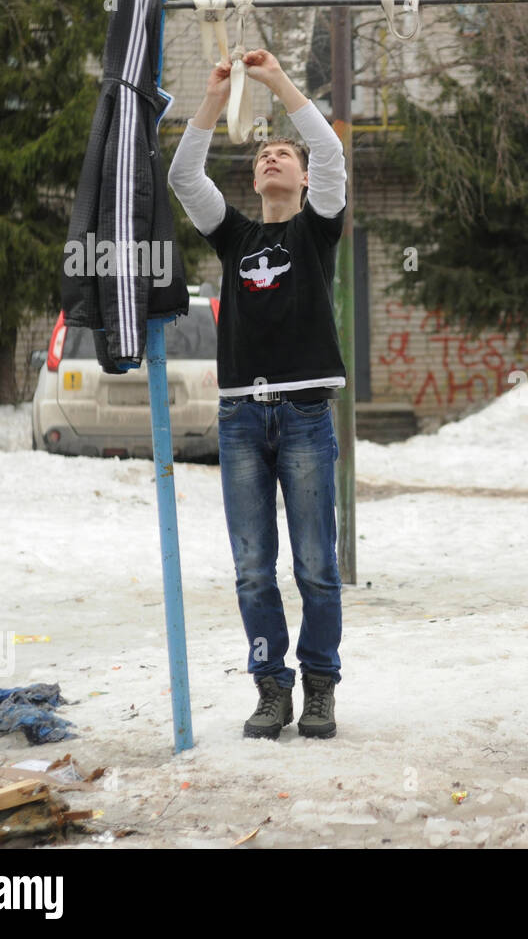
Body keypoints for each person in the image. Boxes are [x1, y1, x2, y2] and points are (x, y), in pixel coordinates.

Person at [167, 49, 348, 739]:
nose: (273, 158)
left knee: (317, 567)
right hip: (241, 417)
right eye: (264, 154)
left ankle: (321, 689)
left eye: (284, 153)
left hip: (305, 415)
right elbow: (184, 174)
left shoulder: (317, 228)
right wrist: (214, 97)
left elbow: (330, 149)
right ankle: (271, 688)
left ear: (302, 178)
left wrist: (273, 81)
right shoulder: (234, 236)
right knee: (251, 571)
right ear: (254, 178)